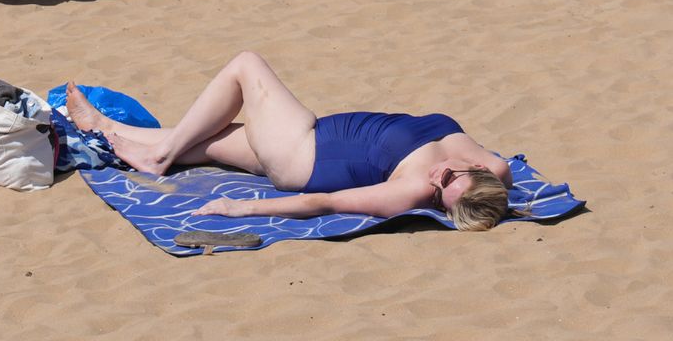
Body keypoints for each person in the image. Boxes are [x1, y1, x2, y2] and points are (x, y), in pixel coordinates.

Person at [62, 51, 517, 230]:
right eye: (449, 178)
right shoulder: (496, 170)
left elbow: (326, 204)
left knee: (246, 66)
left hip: (302, 154)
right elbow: (497, 185)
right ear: (479, 170)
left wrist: (241, 208)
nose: (437, 178)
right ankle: (102, 127)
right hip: (309, 141)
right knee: (208, 140)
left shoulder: (411, 189)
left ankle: (159, 157)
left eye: (439, 195)